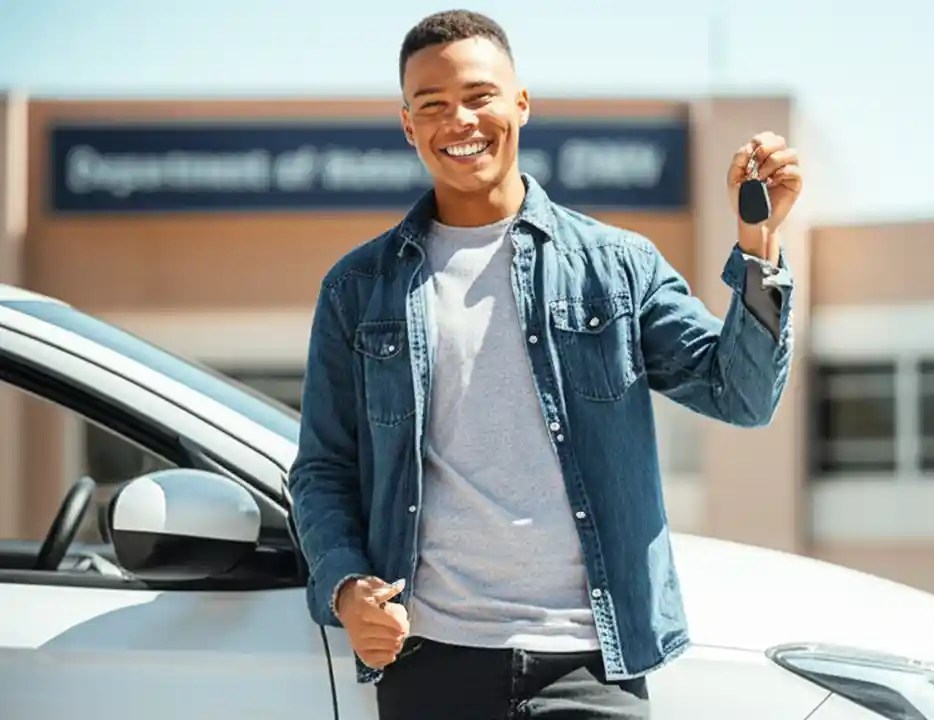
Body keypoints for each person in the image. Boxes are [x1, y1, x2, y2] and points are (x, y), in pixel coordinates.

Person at [288, 8, 802, 719]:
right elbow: (322, 470)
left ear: (521, 104)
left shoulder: (615, 267)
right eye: (432, 106)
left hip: (592, 666)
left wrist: (759, 246)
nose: (458, 121)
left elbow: (740, 394)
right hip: (430, 662)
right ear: (409, 126)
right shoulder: (357, 289)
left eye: (478, 96)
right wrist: (345, 588)